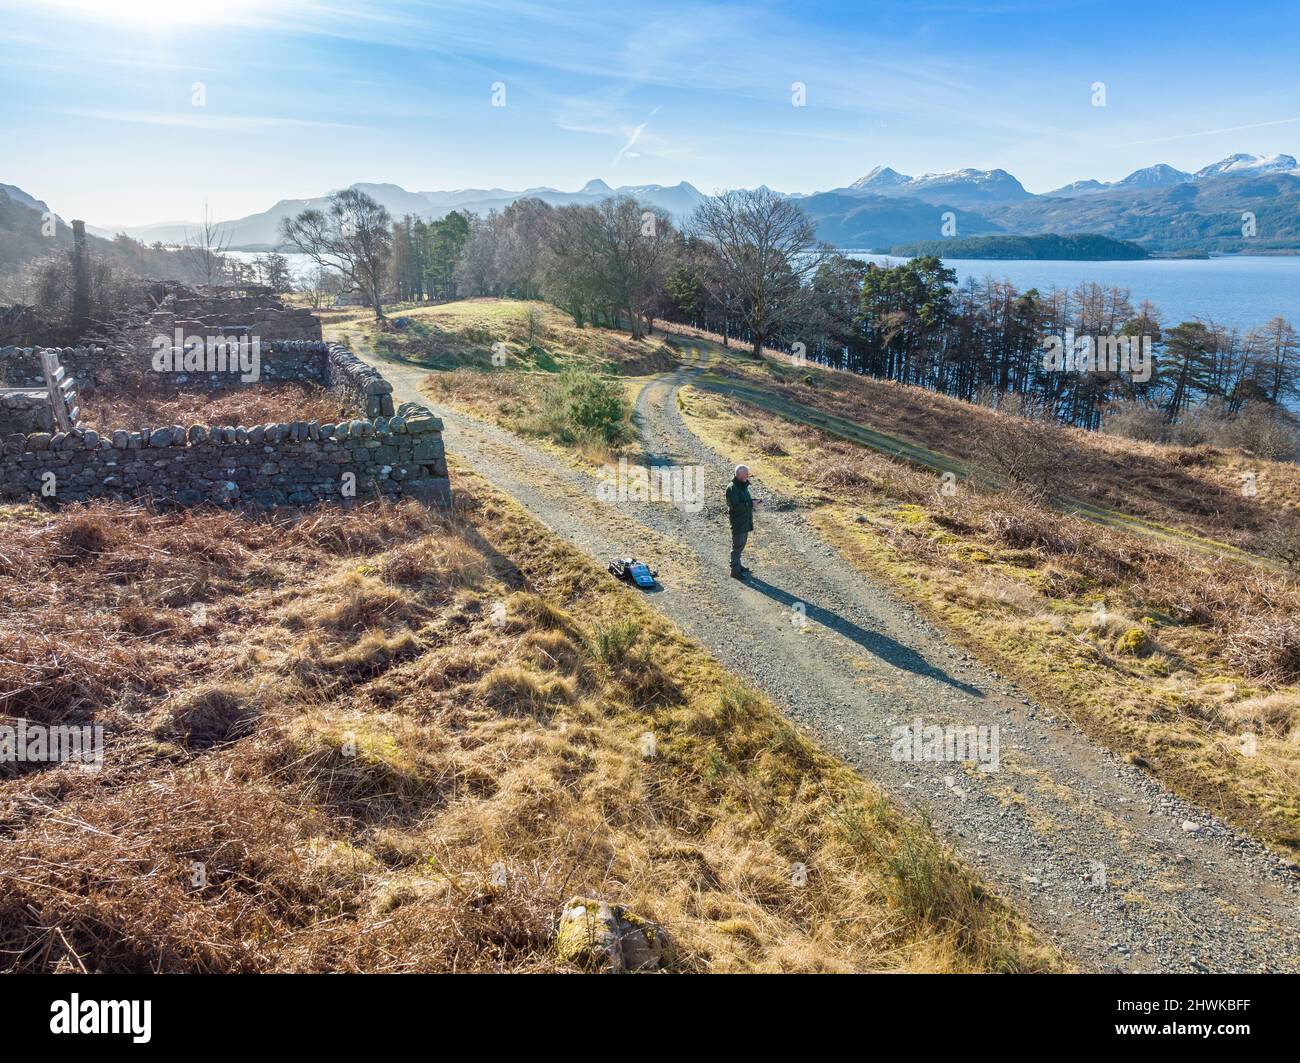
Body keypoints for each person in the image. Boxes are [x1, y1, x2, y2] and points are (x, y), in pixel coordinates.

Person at [726, 464, 759, 579]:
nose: (747, 476)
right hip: (738, 523)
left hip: (744, 521)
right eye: (745, 474)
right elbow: (735, 506)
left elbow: (744, 501)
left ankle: (738, 566)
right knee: (737, 547)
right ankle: (735, 571)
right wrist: (751, 504)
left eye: (747, 474)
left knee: (741, 546)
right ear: (738, 475)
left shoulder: (742, 486)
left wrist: (752, 501)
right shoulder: (732, 488)